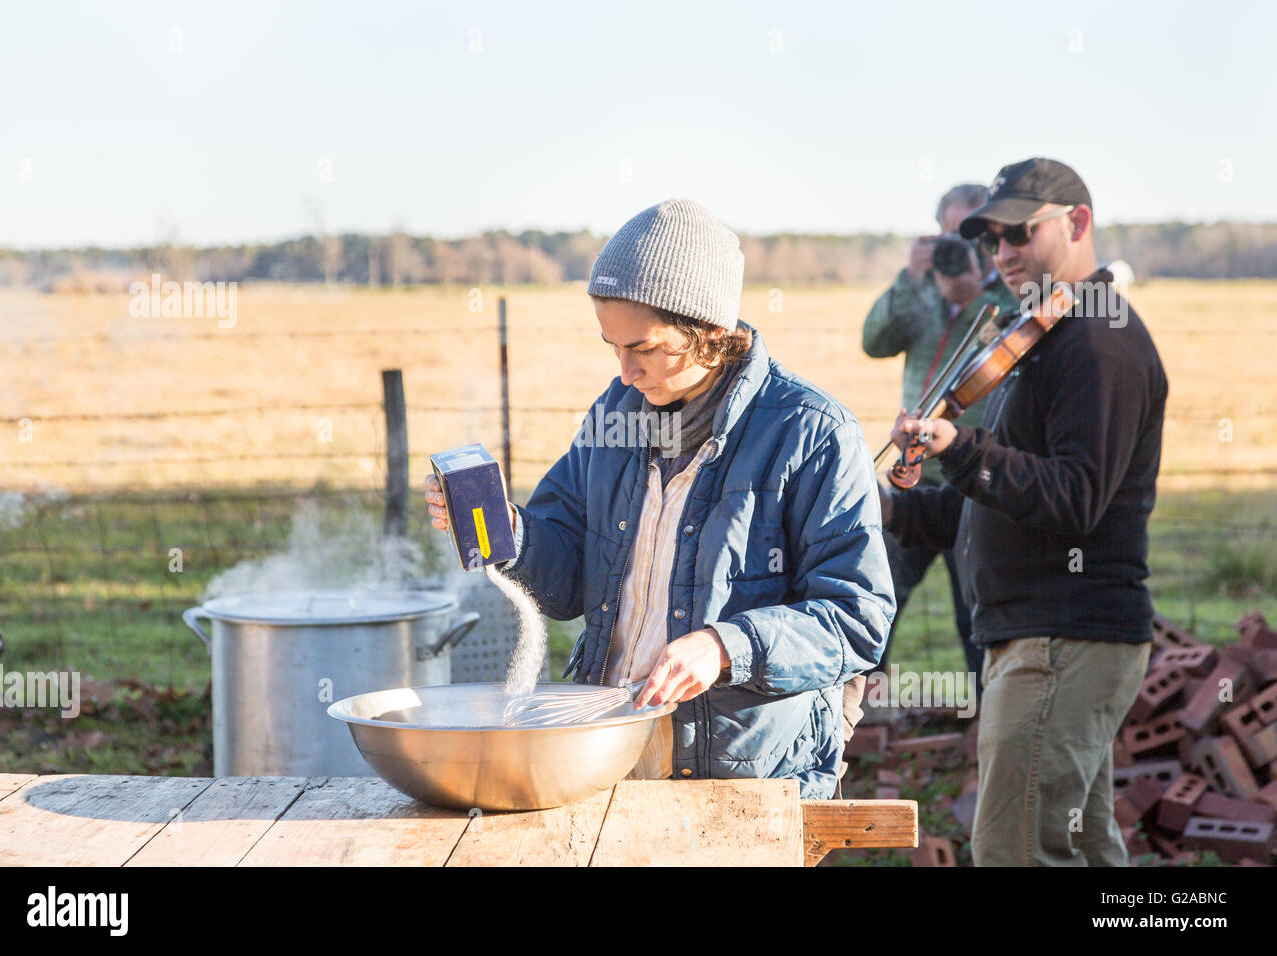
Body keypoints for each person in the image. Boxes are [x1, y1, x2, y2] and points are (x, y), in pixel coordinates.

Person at [425, 198, 894, 799]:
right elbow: (566, 585)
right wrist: (509, 532)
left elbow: (858, 618)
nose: (624, 373)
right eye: (611, 346)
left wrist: (729, 646)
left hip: (740, 777)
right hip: (605, 758)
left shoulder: (813, 434)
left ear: (711, 334)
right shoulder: (613, 415)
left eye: (643, 348)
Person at [879, 158, 1168, 865]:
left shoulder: (1099, 342)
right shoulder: (1041, 342)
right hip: (1044, 641)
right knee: (1083, 853)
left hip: (1061, 643)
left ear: (1077, 223)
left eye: (1020, 233)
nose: (1003, 254)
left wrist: (964, 448)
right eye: (991, 241)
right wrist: (888, 506)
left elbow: (1074, 499)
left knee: (1016, 854)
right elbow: (983, 510)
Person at [862, 184, 1018, 687]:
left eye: (973, 234)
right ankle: (856, 715)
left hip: (974, 475)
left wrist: (974, 299)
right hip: (913, 475)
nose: (961, 247)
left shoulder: (1007, 297)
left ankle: (986, 714)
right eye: (950, 235)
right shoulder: (923, 287)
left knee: (976, 607)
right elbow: (874, 341)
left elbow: (1004, 348)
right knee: (875, 596)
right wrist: (911, 278)